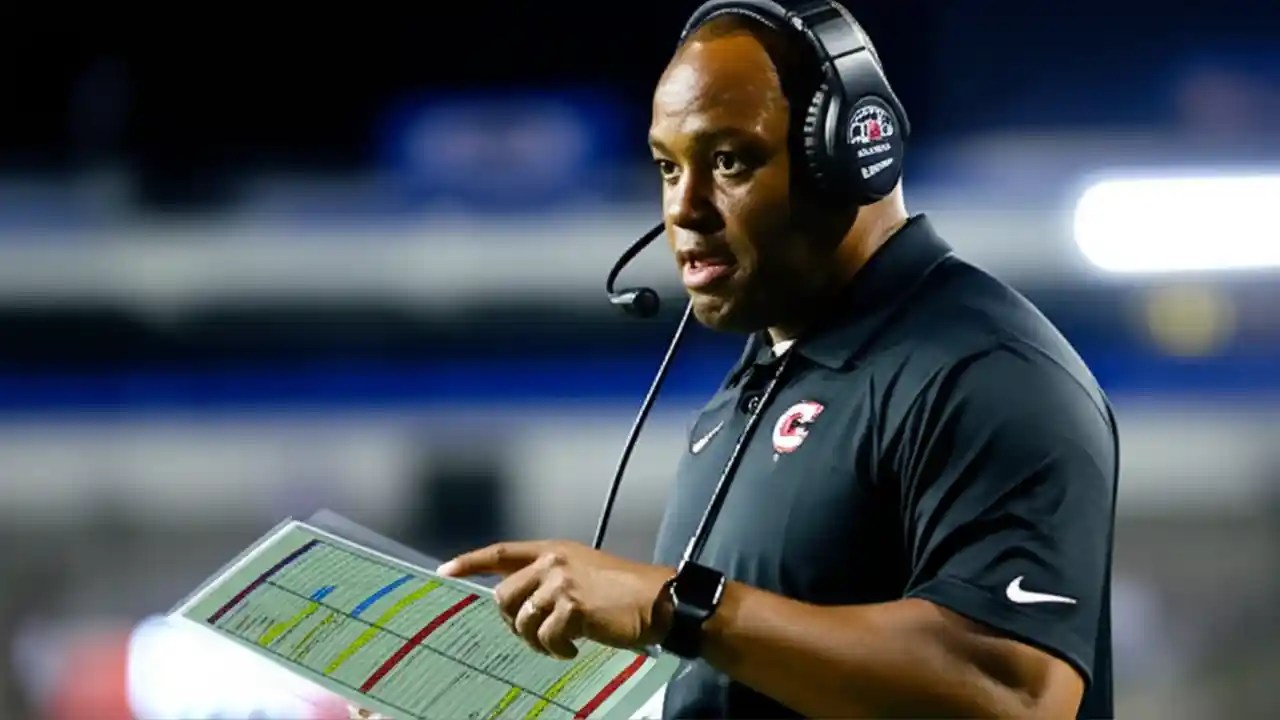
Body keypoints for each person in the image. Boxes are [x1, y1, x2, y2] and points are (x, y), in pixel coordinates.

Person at [371, 2, 1120, 718]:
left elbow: (1012, 694)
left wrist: (681, 605)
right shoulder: (744, 395)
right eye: (668, 167)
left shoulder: (985, 372)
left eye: (728, 161)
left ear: (851, 156)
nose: (682, 209)